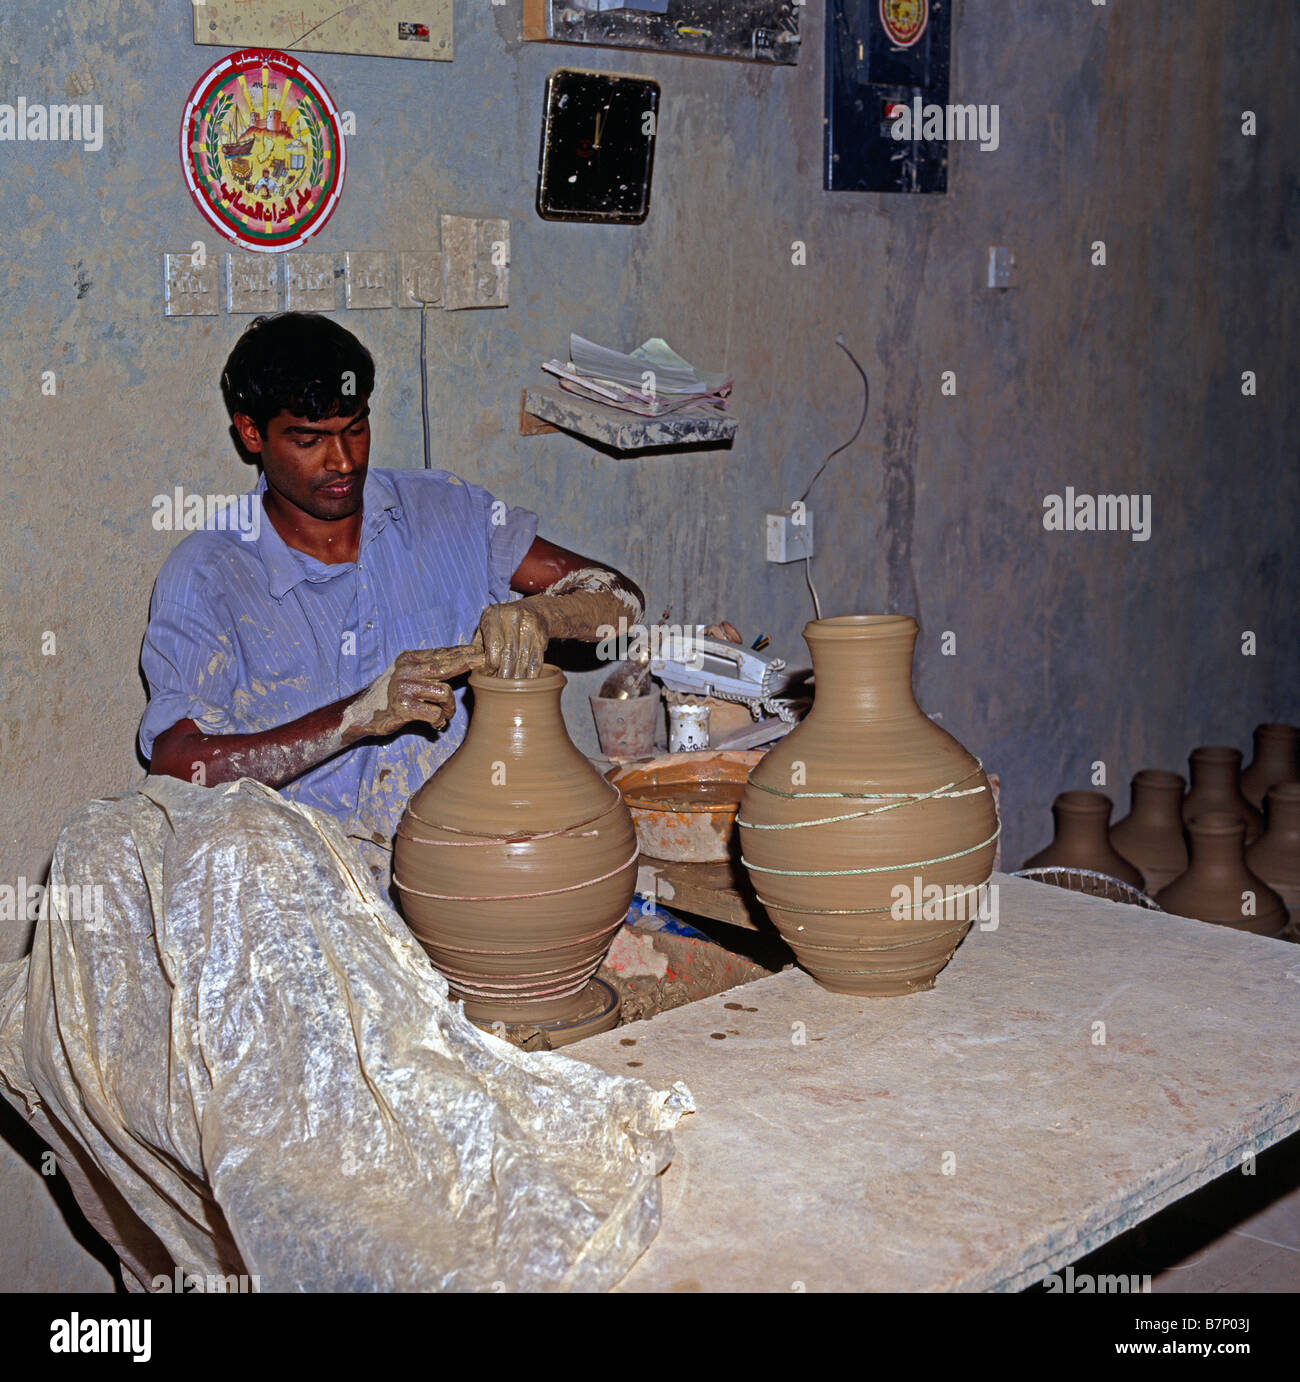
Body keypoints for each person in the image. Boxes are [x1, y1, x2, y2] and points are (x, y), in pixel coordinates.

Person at [140, 312, 643, 883]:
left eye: (355, 428)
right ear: (251, 433)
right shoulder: (207, 573)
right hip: (307, 888)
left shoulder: (448, 510)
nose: (343, 462)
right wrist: (353, 718)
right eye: (309, 440)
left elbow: (619, 595)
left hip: (472, 857)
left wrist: (543, 614)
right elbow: (179, 764)